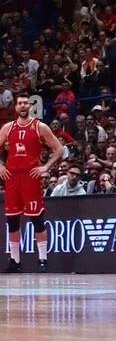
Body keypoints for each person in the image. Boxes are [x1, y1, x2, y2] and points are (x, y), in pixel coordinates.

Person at [0, 94, 63, 272]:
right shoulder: (7, 128)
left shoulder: (39, 126)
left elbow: (59, 149)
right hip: (12, 177)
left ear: (30, 106)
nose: (22, 106)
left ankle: (43, 259)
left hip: (31, 176)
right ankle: (15, 261)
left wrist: (46, 167)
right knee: (12, 220)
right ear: (15, 107)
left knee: (37, 219)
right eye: (19, 103)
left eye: (25, 103)